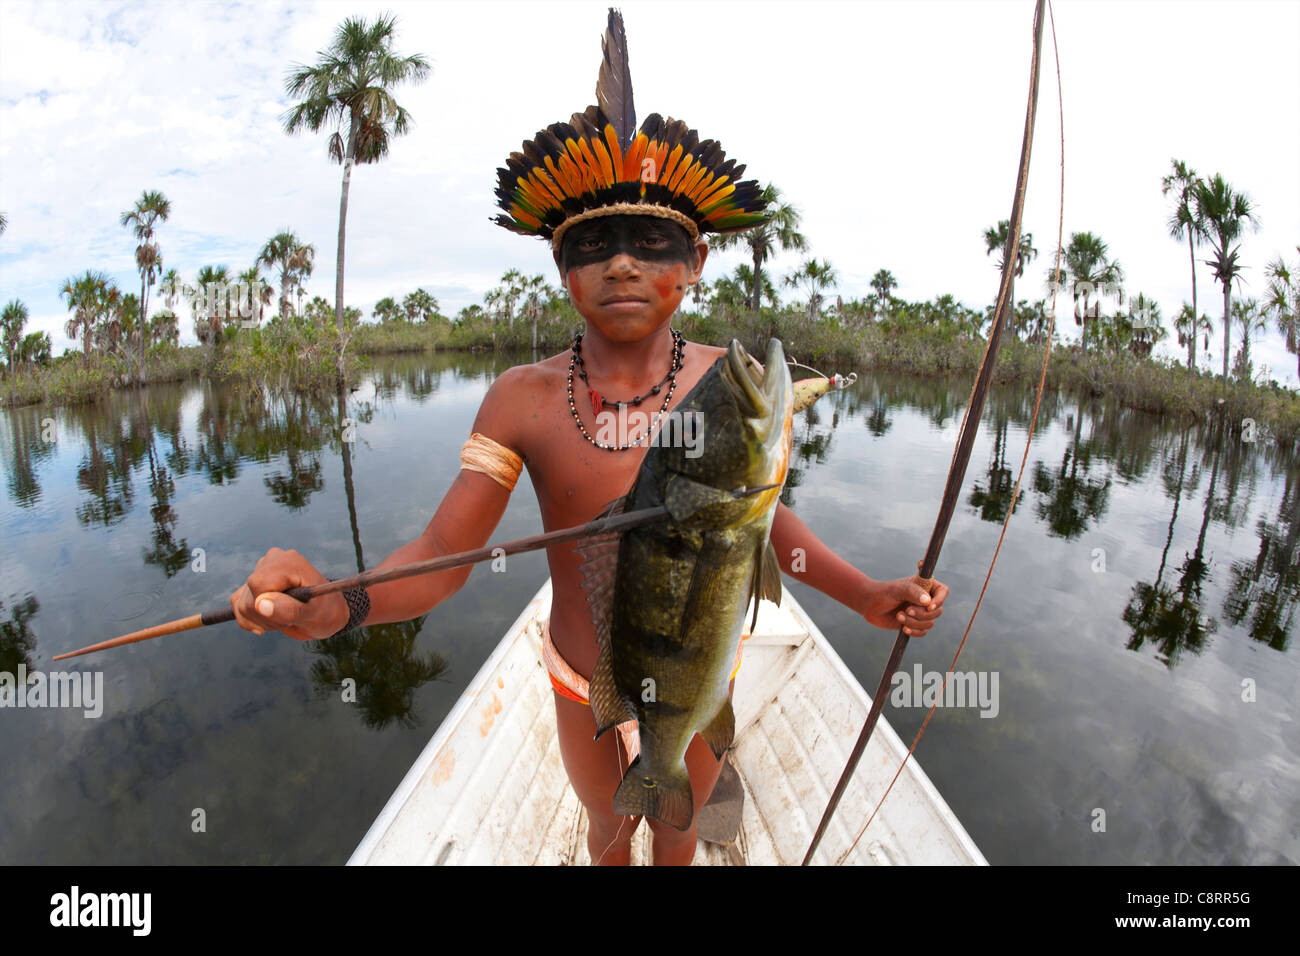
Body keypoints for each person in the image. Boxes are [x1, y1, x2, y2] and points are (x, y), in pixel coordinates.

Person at [228, 11, 948, 866]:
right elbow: (442, 558)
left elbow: (760, 528)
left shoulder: (730, 390)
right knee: (607, 834)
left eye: (653, 242)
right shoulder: (520, 400)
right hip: (580, 679)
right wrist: (336, 602)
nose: (622, 264)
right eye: (593, 245)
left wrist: (865, 593)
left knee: (678, 828)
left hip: (696, 671)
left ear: (698, 259)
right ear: (560, 267)